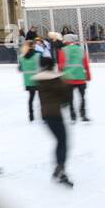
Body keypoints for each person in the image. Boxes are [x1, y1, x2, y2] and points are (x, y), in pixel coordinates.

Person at [33, 56, 73, 187]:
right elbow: (65, 99)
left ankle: (59, 168)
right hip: (55, 114)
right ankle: (60, 169)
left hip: (45, 114)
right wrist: (66, 84)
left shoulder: (40, 81)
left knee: (59, 141)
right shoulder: (56, 80)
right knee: (62, 141)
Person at [57, 33, 92, 122]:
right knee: (82, 97)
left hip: (68, 78)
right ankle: (83, 114)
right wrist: (88, 76)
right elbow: (86, 65)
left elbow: (61, 66)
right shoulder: (81, 50)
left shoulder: (63, 51)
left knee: (70, 98)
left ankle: (72, 115)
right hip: (80, 77)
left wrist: (60, 76)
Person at [19, 39, 41, 121]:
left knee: (31, 97)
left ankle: (31, 115)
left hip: (28, 80)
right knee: (41, 97)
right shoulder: (38, 55)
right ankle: (43, 114)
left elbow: (20, 69)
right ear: (33, 46)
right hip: (38, 79)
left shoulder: (21, 57)